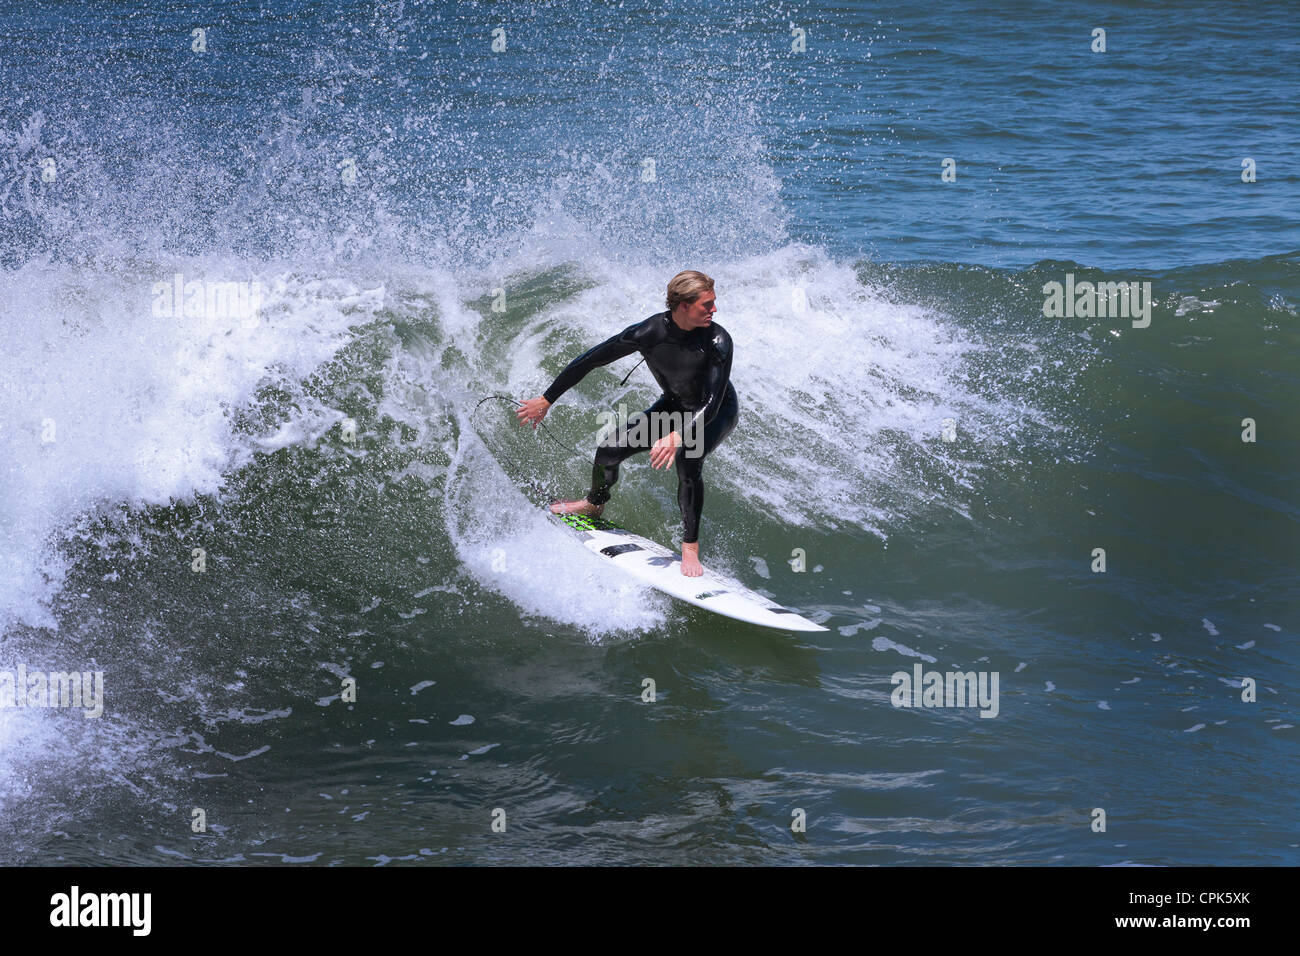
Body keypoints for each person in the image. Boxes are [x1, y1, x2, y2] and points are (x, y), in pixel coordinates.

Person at [516, 270, 738, 577]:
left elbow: (711, 403)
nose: (714, 310)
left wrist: (677, 435)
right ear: (683, 306)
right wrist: (547, 399)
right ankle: (594, 504)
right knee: (609, 451)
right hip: (675, 405)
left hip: (714, 411)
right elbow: (591, 359)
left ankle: (690, 547)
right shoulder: (649, 332)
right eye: (707, 305)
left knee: (688, 459)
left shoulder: (717, 340)